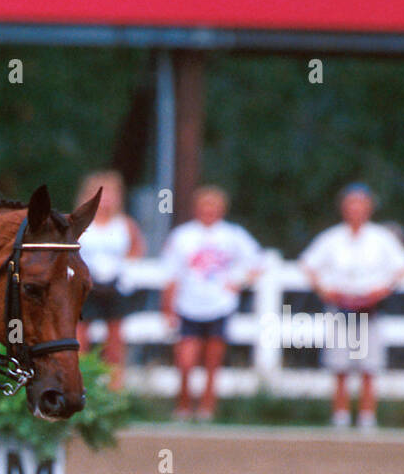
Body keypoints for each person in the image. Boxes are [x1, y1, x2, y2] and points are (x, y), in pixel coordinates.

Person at [300, 183, 404, 429]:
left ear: (370, 207)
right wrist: (325, 290)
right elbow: (308, 264)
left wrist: (383, 290)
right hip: (341, 306)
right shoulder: (332, 238)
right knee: (339, 364)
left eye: (361, 203)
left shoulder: (381, 238)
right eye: (351, 204)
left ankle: (367, 415)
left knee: (369, 365)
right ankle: (340, 415)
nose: (355, 209)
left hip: (369, 308)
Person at [159, 185, 262, 421]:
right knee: (186, 360)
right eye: (204, 205)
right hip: (188, 304)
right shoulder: (182, 236)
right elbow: (171, 274)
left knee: (213, 360)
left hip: (220, 304)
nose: (209, 210)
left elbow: (258, 261)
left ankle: (207, 408)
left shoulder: (233, 235)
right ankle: (183, 405)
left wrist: (238, 281)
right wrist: (168, 306)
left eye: (213, 205)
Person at [73, 170, 145, 387]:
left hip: (114, 287)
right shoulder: (79, 222)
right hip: (87, 286)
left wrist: (122, 269)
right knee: (80, 340)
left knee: (114, 343)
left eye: (111, 194)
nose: (106, 199)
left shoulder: (125, 224)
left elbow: (137, 249)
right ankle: (81, 386)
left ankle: (115, 390)